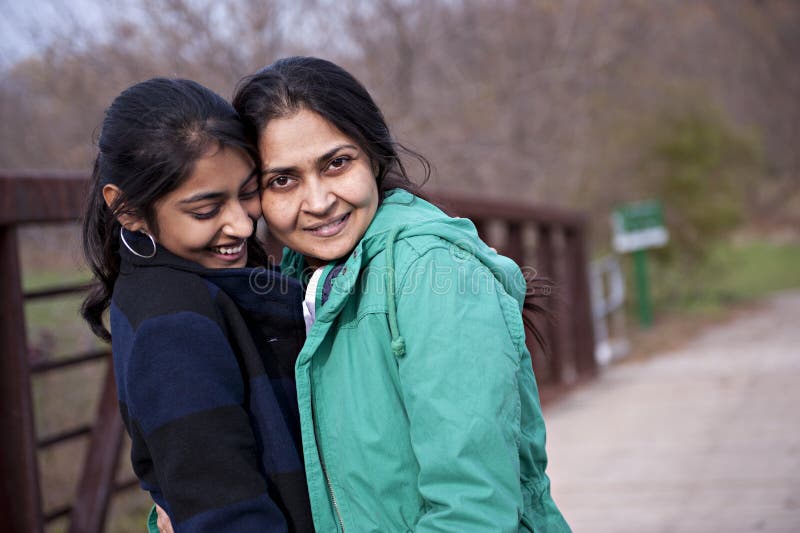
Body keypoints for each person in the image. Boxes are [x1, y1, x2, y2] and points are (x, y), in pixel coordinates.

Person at [233, 56, 571, 531]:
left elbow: (473, 509)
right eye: (282, 180)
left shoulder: (433, 269)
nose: (318, 201)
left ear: (373, 156)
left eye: (336, 163)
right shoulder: (300, 279)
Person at [81, 78, 314, 532]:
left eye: (248, 193)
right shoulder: (171, 326)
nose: (242, 226)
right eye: (206, 211)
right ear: (127, 209)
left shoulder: (199, 283)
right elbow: (227, 515)